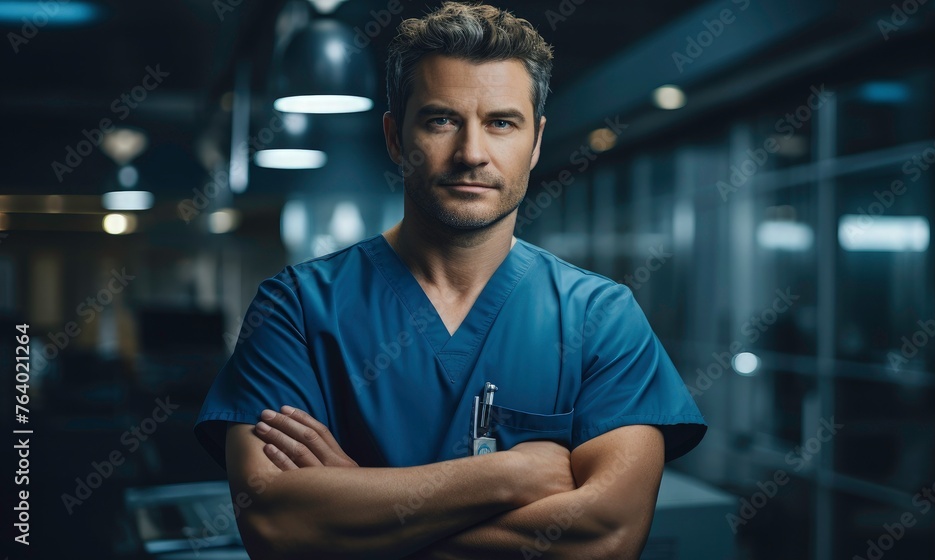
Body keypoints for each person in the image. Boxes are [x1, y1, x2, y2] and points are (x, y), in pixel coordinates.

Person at [194, 3, 706, 558]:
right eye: (441, 120)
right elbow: (276, 528)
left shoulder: (601, 318)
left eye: (501, 123)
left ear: (535, 143)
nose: (471, 153)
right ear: (395, 137)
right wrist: (511, 475)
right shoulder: (295, 308)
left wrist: (361, 514)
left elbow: (607, 535)